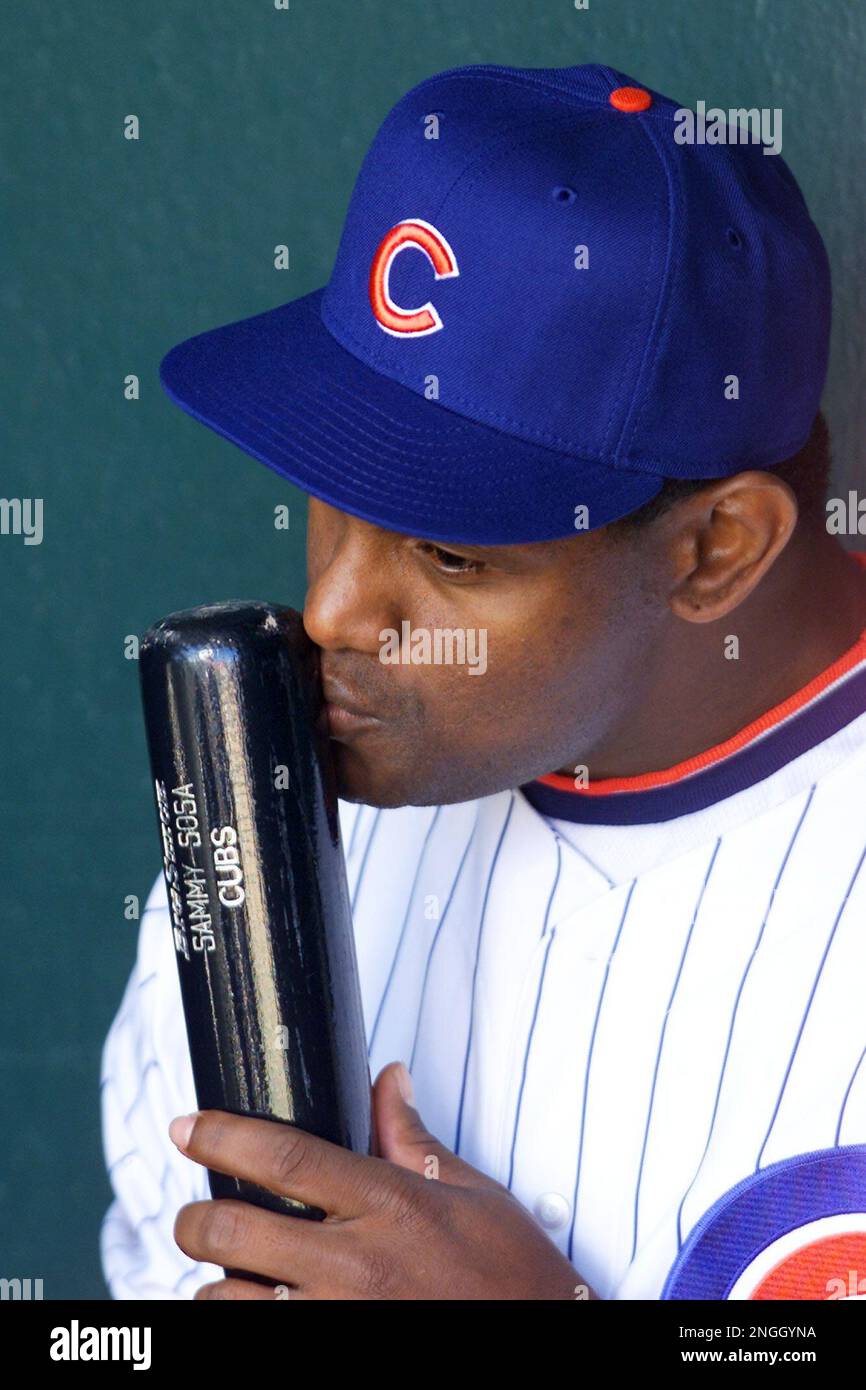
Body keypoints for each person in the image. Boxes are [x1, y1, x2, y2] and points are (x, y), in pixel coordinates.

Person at [100, 62, 866, 1300]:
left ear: (716, 549)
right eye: (329, 494)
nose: (334, 613)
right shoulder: (248, 830)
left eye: (449, 551)